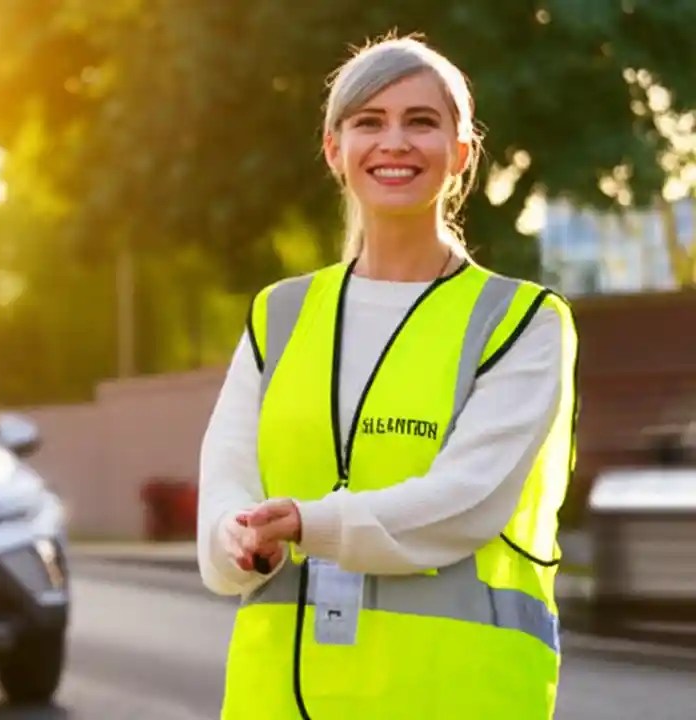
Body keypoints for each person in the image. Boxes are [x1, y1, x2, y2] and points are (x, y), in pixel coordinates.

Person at [197, 35, 579, 719]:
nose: (393, 142)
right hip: (279, 699)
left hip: (456, 696)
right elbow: (225, 486)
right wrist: (239, 538)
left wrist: (309, 522)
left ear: (461, 154)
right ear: (334, 150)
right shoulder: (279, 314)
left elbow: (465, 500)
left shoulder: (523, 322)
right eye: (368, 122)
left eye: (421, 122)